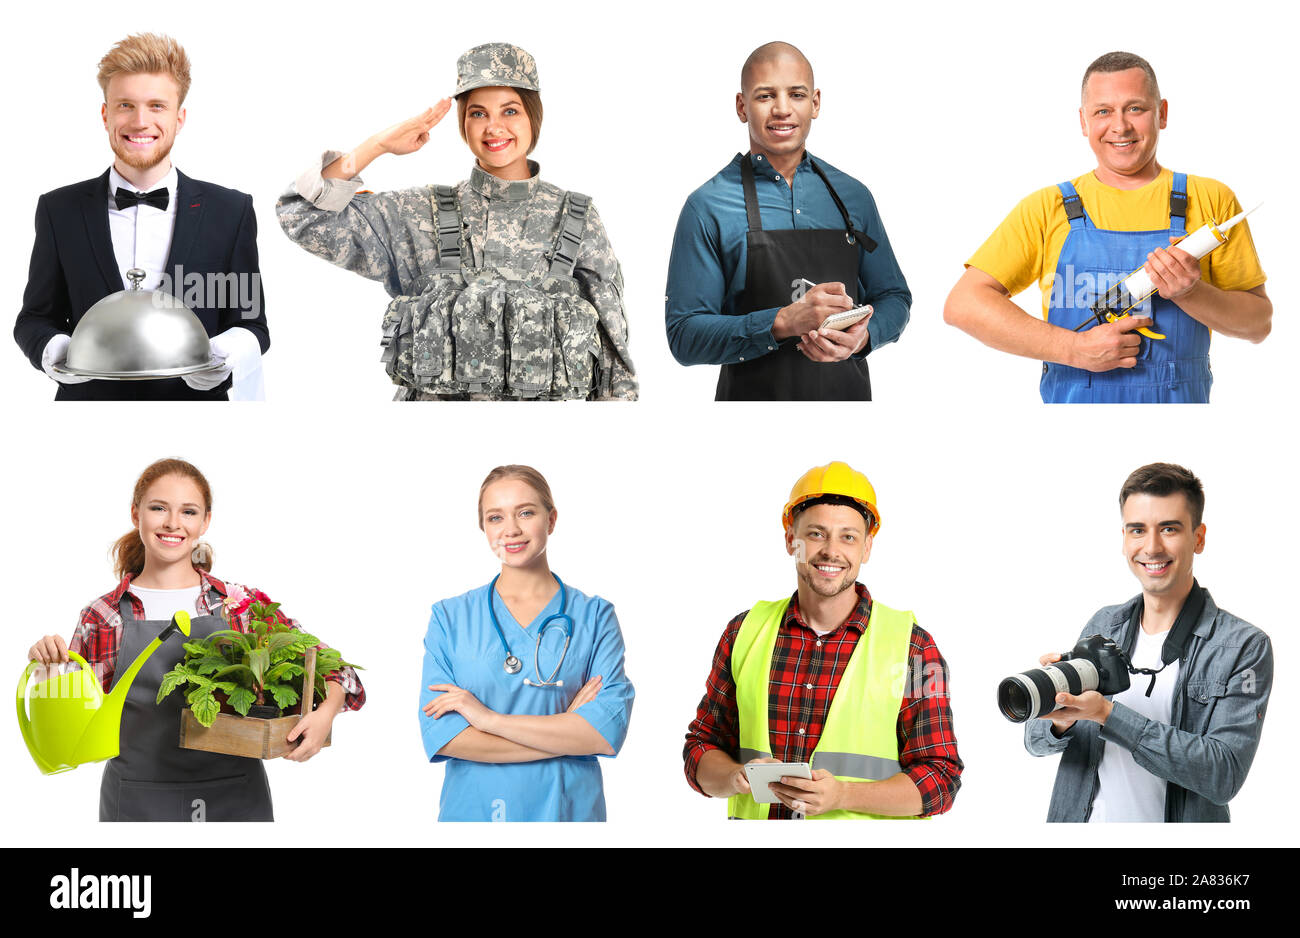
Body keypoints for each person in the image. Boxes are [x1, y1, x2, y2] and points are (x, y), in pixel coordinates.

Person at [277, 42, 637, 401]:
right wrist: (377, 146)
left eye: (510, 111)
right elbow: (300, 215)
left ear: (533, 117)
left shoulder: (575, 217)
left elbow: (614, 357)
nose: (494, 128)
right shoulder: (418, 213)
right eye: (478, 113)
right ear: (463, 124)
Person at [26, 459, 364, 821]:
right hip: (138, 803)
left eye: (188, 512)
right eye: (159, 508)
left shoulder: (239, 605)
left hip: (236, 798)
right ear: (135, 513)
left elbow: (337, 669)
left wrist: (325, 714)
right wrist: (46, 666)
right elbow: (71, 723)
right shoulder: (104, 615)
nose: (173, 523)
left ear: (205, 522)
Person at [944, 51, 1270, 403]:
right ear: (1083, 121)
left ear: (1161, 113)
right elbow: (963, 304)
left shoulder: (1210, 200)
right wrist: (1074, 348)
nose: (1120, 126)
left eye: (1135, 108)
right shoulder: (1046, 208)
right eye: (1103, 111)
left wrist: (1191, 292)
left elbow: (1258, 325)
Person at [683, 462, 962, 818]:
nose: (831, 551)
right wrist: (736, 777)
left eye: (848, 536)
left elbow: (941, 779)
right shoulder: (743, 633)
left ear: (867, 548)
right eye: (816, 534)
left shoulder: (915, 648)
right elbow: (701, 747)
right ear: (790, 541)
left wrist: (843, 795)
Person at [14, 33, 269, 401]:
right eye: (125, 106)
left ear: (179, 117)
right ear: (106, 115)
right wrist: (55, 350)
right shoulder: (59, 210)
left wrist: (225, 359)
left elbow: (252, 323)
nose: (140, 121)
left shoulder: (231, 211)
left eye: (156, 106)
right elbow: (34, 319)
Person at [664, 42, 911, 401]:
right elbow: (684, 335)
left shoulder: (854, 197)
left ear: (815, 103)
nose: (782, 109)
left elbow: (894, 296)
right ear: (741, 106)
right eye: (765, 96)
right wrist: (781, 322)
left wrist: (865, 336)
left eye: (796, 94)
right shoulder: (707, 207)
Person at [1025, 463, 1271, 821]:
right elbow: (1035, 742)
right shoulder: (1104, 623)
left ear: (1198, 538)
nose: (1151, 547)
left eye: (1169, 529)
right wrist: (1060, 714)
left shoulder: (1244, 646)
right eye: (1137, 530)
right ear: (1124, 538)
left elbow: (1224, 775)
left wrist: (1107, 715)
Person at [419, 465, 634, 820]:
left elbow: (604, 733)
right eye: (495, 518)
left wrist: (488, 720)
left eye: (526, 512)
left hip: (567, 812)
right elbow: (447, 738)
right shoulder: (449, 618)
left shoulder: (595, 617)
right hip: (473, 812)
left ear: (551, 520)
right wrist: (565, 727)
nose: (511, 530)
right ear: (483, 528)